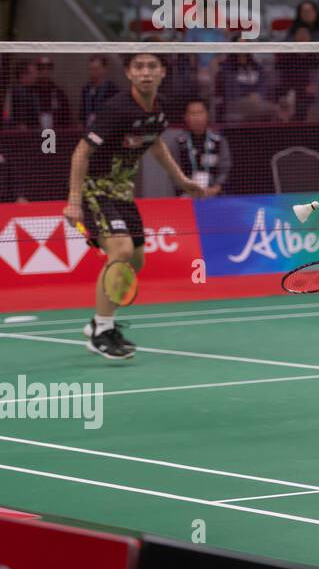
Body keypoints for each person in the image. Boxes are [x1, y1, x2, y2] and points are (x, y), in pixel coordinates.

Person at [62, 53, 211, 361]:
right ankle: (103, 331)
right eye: (139, 67)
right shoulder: (116, 109)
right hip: (96, 189)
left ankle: (98, 322)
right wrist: (74, 201)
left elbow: (155, 143)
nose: (145, 73)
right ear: (129, 73)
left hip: (123, 193)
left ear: (162, 72)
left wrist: (182, 181)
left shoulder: (160, 108)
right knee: (121, 251)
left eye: (152, 67)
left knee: (137, 261)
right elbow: (80, 153)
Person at [170, 98, 231, 196]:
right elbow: (174, 171)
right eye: (193, 113)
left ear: (207, 115)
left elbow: (225, 168)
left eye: (200, 112)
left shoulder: (219, 141)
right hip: (187, 194)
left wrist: (216, 188)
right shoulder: (178, 143)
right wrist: (188, 189)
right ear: (186, 117)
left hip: (214, 194)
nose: (197, 117)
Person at [80, 55, 120, 127]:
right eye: (91, 69)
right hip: (88, 128)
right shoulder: (86, 89)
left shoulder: (112, 90)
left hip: (106, 128)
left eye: (96, 69)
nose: (93, 72)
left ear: (104, 70)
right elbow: (82, 113)